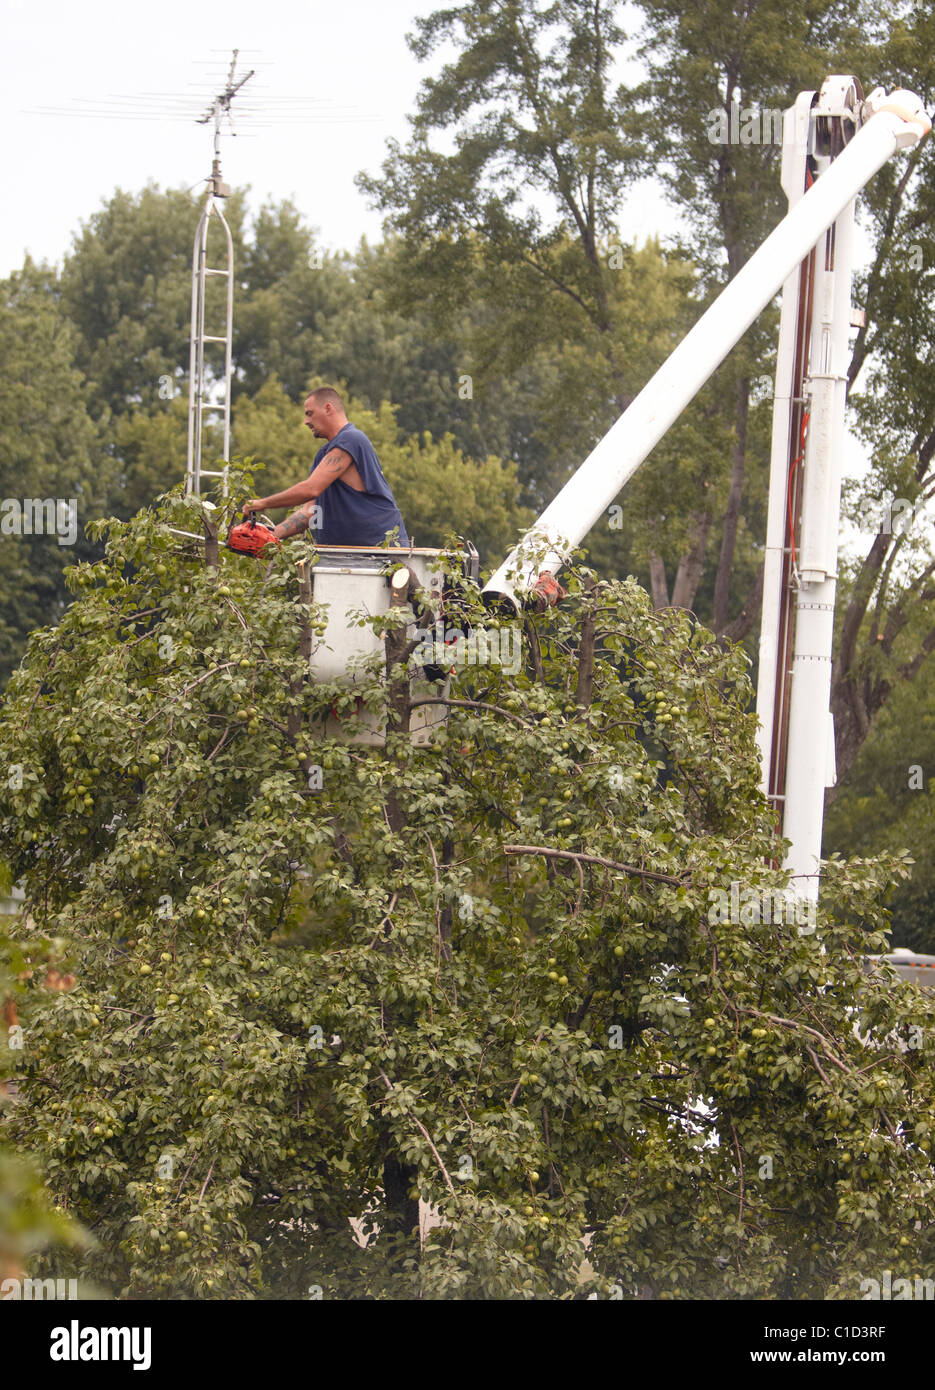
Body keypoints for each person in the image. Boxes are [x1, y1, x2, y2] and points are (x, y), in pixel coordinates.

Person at [242, 387, 409, 547]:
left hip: (380, 552)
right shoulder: (323, 455)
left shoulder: (351, 439)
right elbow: (310, 510)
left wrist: (261, 503)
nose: (306, 421)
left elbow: (310, 489)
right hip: (343, 556)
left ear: (328, 408)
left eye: (310, 414)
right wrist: (271, 537)